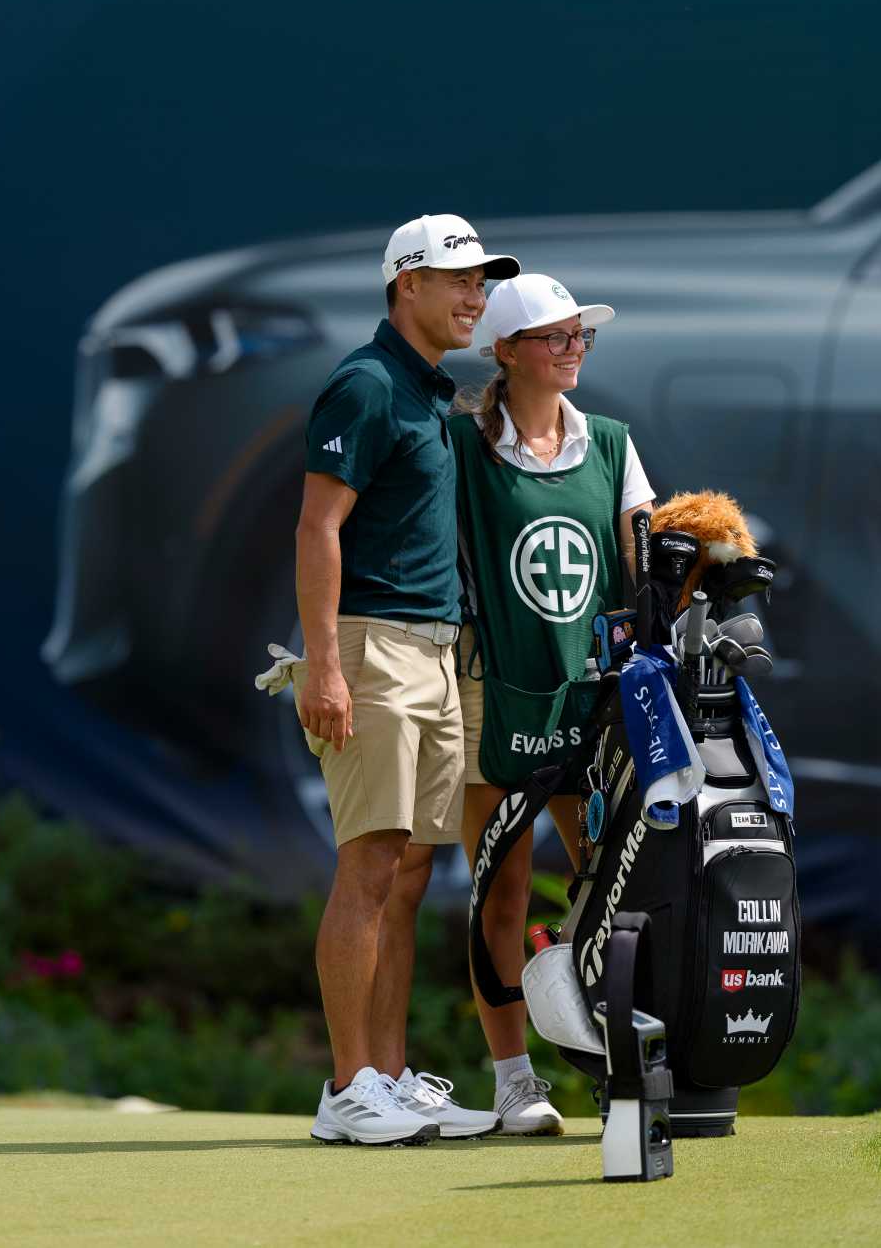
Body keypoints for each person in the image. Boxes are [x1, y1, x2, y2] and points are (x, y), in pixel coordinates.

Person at [296, 213, 520, 1146]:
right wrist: (323, 663)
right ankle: (348, 1089)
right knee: (370, 864)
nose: (475, 296)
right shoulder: (366, 384)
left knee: (412, 872)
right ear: (406, 287)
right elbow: (318, 529)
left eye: (482, 283)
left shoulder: (433, 392)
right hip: (371, 646)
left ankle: (386, 1077)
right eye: (457, 280)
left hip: (433, 648)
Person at [450, 273, 655, 1135]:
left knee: (612, 885)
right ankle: (512, 1082)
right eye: (555, 337)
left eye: (581, 337)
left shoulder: (610, 441)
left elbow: (644, 557)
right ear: (505, 351)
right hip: (494, 694)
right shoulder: (460, 444)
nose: (574, 350)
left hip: (591, 698)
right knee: (500, 894)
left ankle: (626, 1065)